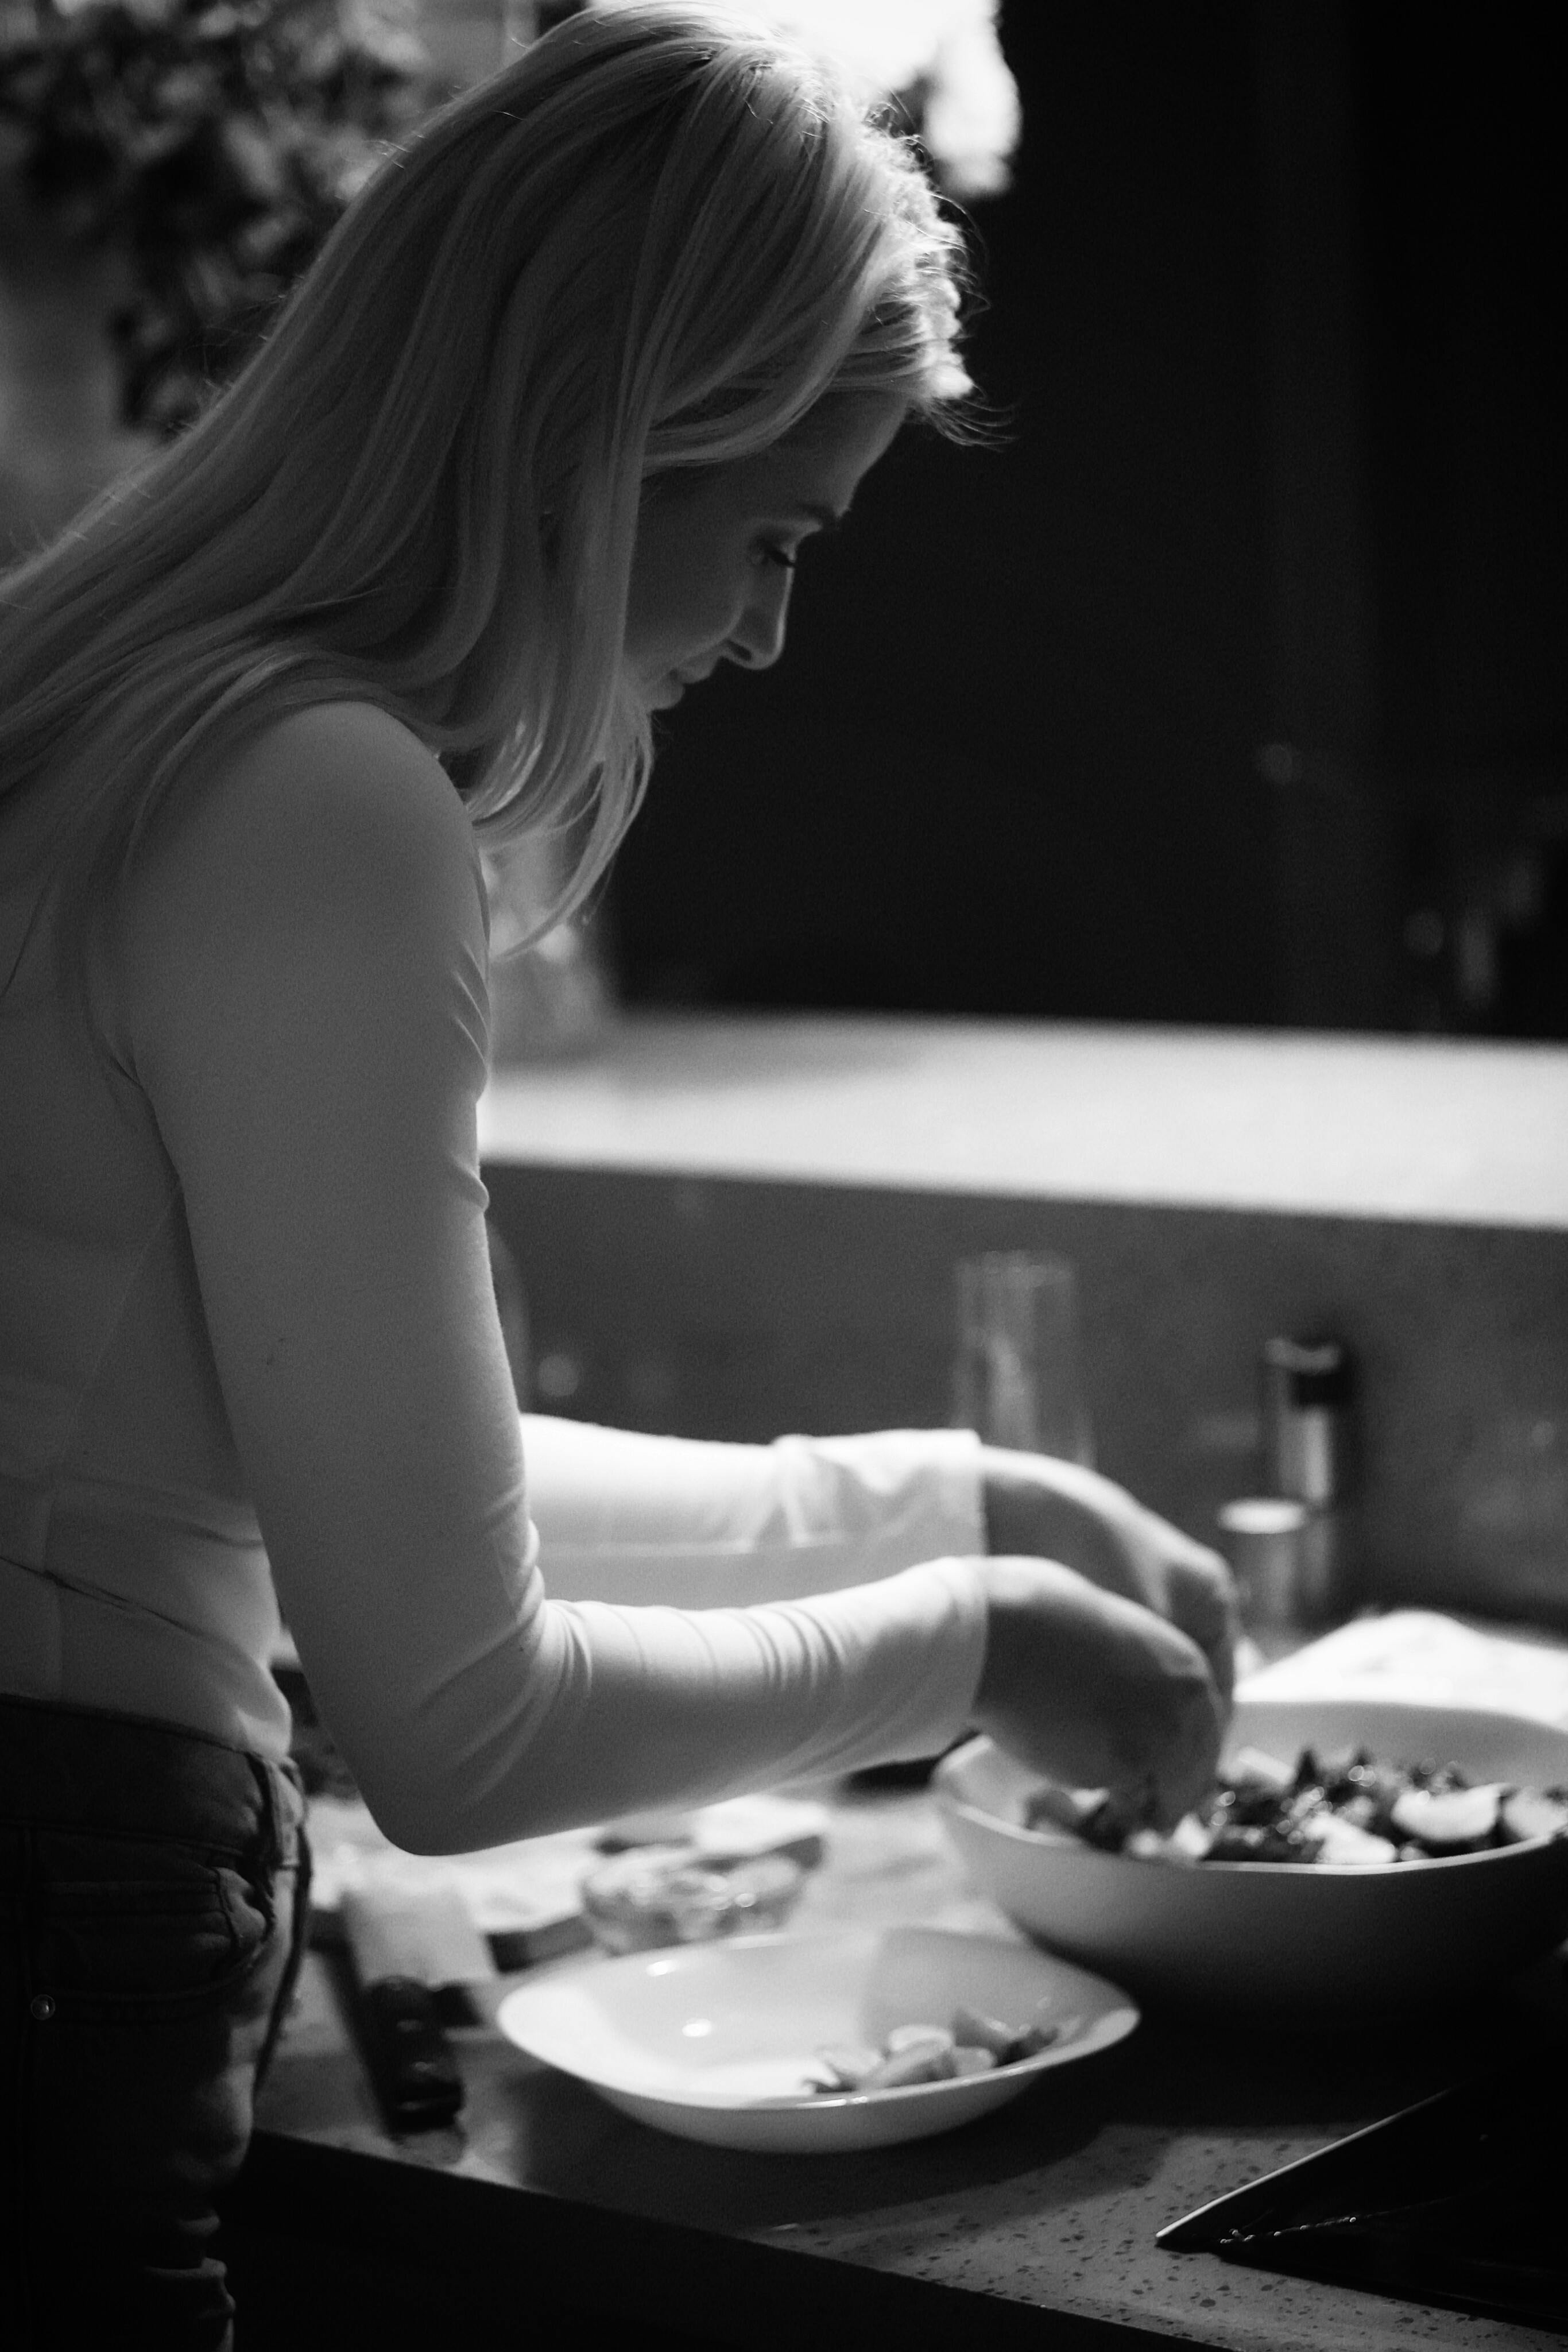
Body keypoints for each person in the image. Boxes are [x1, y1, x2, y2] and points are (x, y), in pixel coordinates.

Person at [0, 6, 1234, 2342]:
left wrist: (944, 1500)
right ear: (598, 437)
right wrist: (969, 1642)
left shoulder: (128, 703)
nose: (765, 632)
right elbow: (461, 1724)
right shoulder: (315, 797)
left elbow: (355, 1466)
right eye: (770, 534)